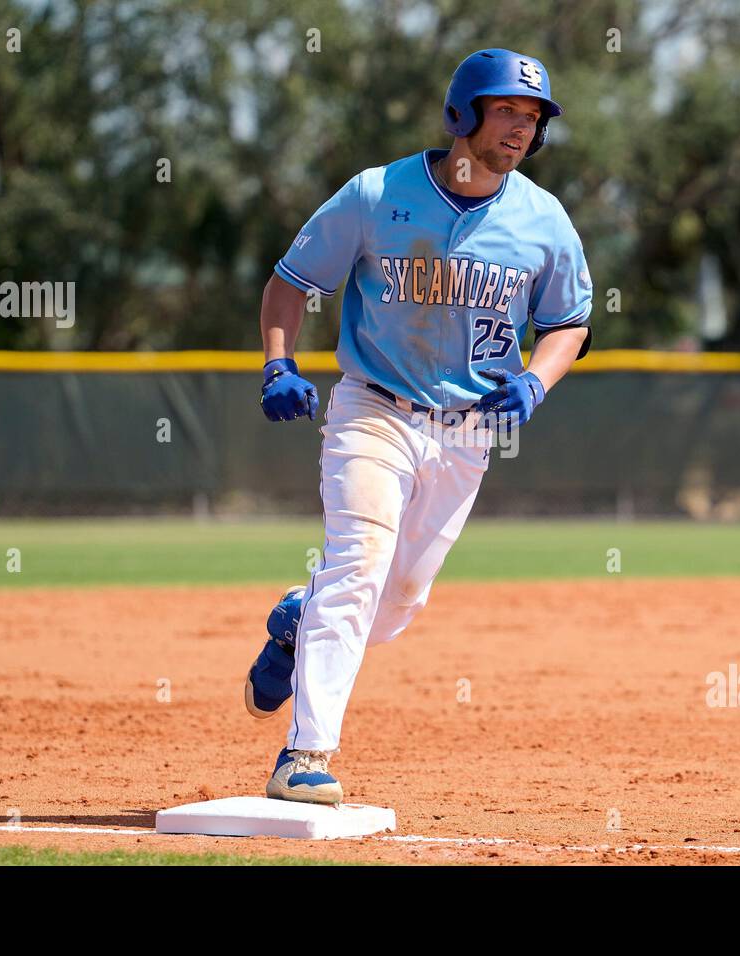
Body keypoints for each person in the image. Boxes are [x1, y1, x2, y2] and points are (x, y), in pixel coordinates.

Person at [244, 49, 593, 803]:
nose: (520, 129)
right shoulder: (378, 194)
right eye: (506, 110)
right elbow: (290, 284)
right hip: (374, 409)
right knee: (360, 566)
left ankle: (300, 625)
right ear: (463, 113)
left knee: (398, 600)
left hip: (468, 432)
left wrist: (537, 379)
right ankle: (305, 756)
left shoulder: (543, 221)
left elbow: (569, 323)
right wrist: (279, 364)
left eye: (532, 119)